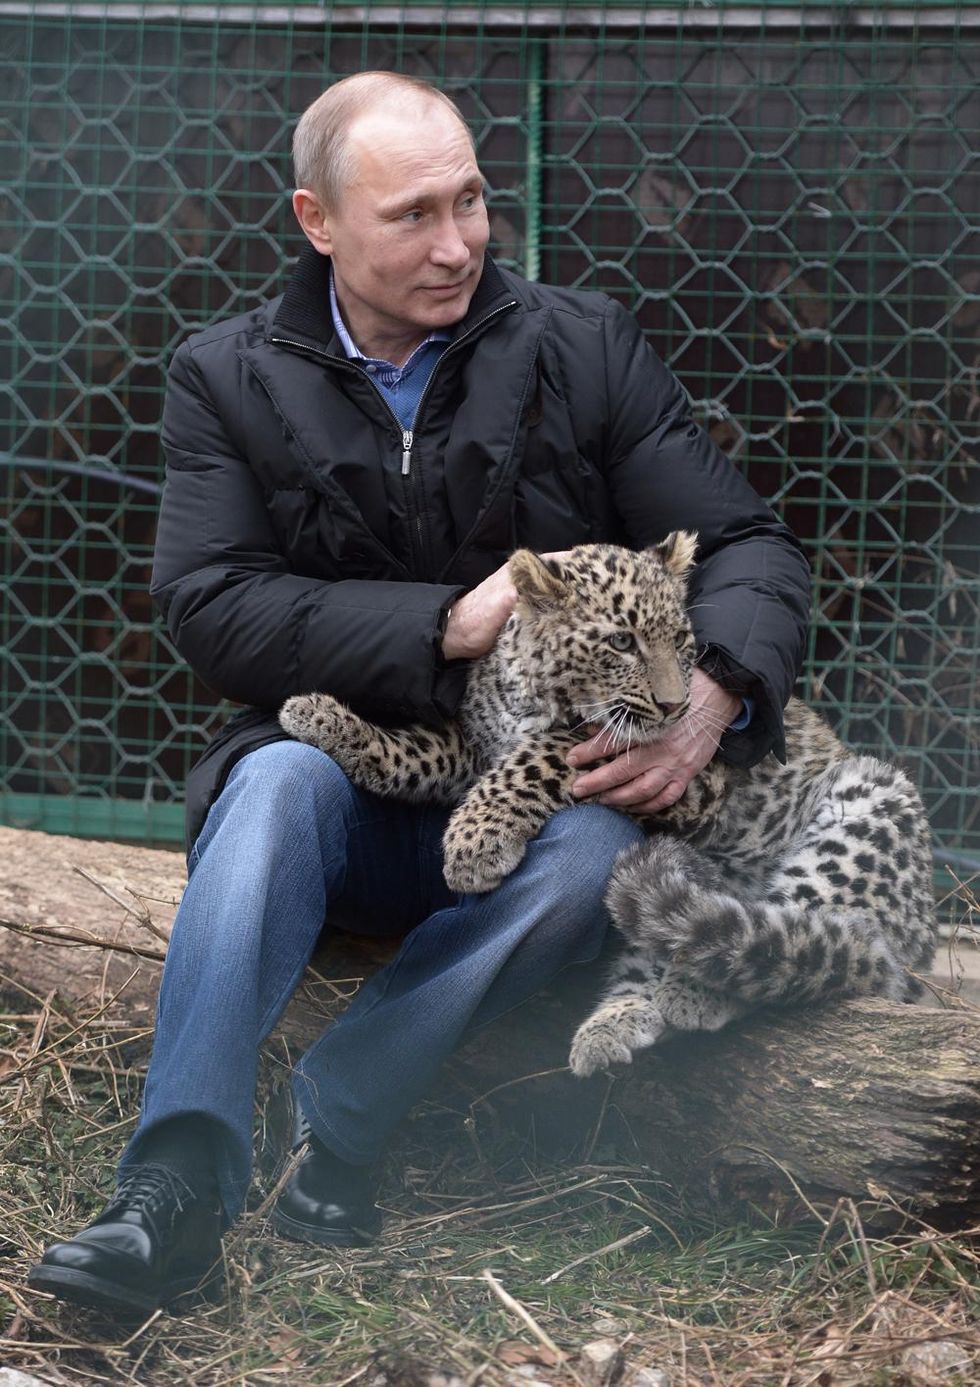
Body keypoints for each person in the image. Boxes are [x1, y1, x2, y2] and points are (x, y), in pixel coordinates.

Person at [29, 71, 810, 1316]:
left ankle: (339, 1119)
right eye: (411, 216)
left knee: (595, 848)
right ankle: (168, 1191)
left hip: (542, 809)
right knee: (275, 781)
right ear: (316, 221)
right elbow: (209, 602)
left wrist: (716, 691)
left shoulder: (581, 345)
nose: (456, 244)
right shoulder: (224, 376)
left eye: (471, 202)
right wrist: (439, 624)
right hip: (343, 774)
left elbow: (749, 545)